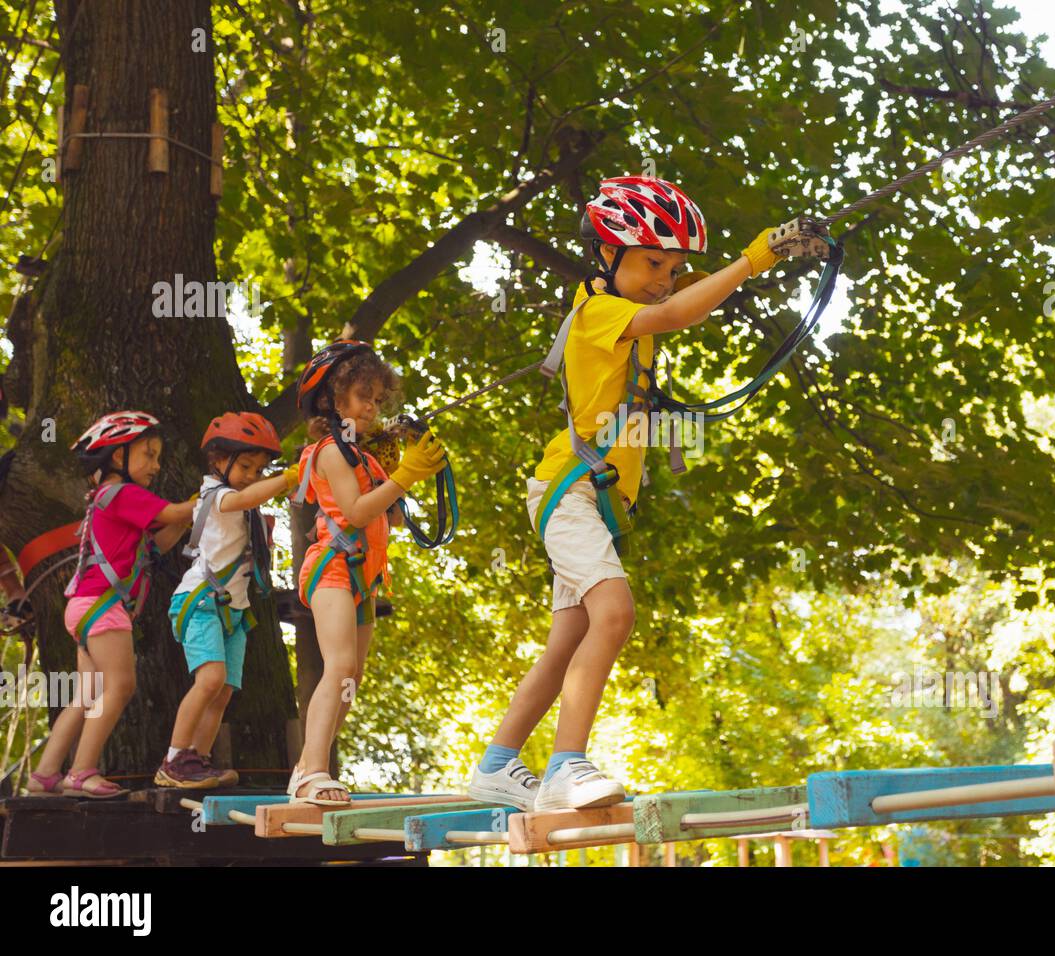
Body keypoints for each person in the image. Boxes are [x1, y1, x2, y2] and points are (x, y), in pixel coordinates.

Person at [469, 176, 789, 811]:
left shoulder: (626, 319)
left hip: (594, 501)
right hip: (570, 494)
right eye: (652, 262)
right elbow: (675, 313)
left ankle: (497, 764)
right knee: (615, 614)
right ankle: (567, 766)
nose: (663, 279)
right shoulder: (599, 312)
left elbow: (665, 320)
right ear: (607, 255)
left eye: (673, 268)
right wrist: (756, 259)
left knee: (568, 642)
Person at [289, 340, 448, 805]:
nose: (373, 408)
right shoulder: (330, 452)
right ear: (334, 401)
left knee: (349, 680)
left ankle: (305, 766)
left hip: (364, 576)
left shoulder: (365, 457)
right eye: (364, 397)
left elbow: (390, 517)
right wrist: (405, 478)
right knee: (338, 665)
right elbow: (357, 513)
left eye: (378, 400)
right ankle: (314, 770)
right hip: (333, 568)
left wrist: (403, 466)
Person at [27, 412, 196, 797]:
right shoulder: (121, 493)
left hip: (85, 605)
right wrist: (205, 501)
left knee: (87, 693)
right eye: (149, 455)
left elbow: (160, 542)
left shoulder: (110, 500)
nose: (156, 465)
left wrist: (186, 517)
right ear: (117, 457)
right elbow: (170, 512)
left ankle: (46, 773)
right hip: (103, 606)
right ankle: (82, 772)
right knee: (120, 685)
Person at [155, 411, 297, 789]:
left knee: (224, 690)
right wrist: (288, 477)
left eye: (259, 468)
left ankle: (197, 760)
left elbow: (252, 495)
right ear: (218, 461)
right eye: (246, 465)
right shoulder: (214, 495)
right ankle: (173, 759)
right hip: (200, 599)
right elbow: (247, 496)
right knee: (210, 679)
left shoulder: (242, 499)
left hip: (233, 608)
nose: (252, 475)